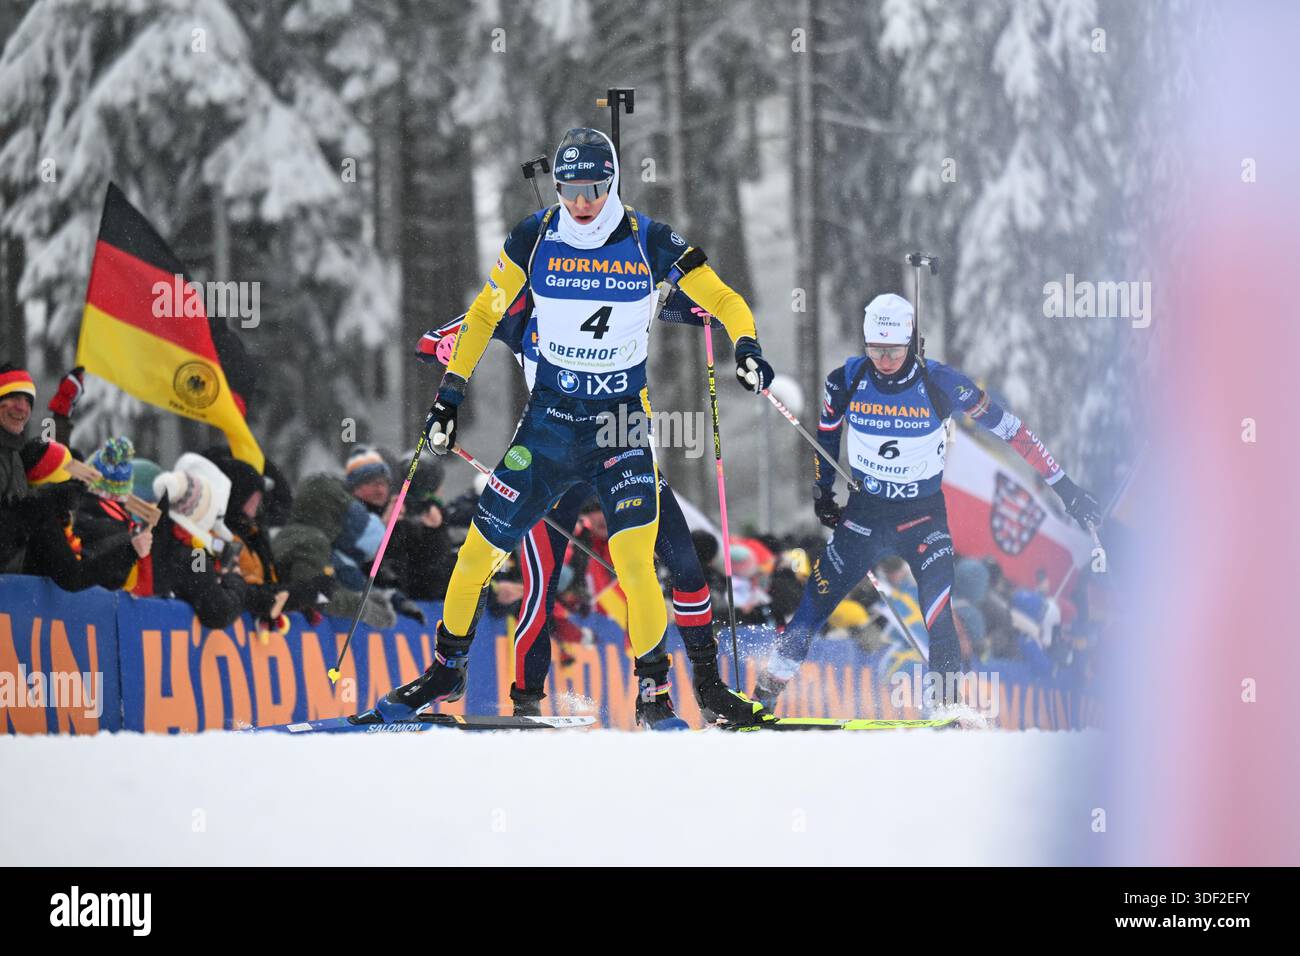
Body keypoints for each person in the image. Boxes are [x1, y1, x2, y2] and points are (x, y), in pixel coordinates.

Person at [371, 127, 774, 727]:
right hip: (550, 424)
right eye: (569, 189)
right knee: (478, 552)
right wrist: (449, 397)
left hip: (620, 425)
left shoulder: (649, 239)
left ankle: (654, 691)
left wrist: (747, 344)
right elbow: (483, 313)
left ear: (613, 182)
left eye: (595, 187)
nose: (582, 201)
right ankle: (446, 670)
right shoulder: (533, 236)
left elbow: (723, 298)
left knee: (634, 556)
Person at [752, 293, 1101, 717]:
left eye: (894, 350)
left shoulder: (941, 383)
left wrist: (1065, 487)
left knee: (939, 610)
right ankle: (763, 695)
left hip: (922, 517)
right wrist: (823, 494)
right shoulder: (845, 379)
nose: (884, 359)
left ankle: (946, 706)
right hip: (865, 514)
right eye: (876, 349)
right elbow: (826, 436)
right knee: (814, 604)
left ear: (910, 343)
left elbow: (1010, 429)